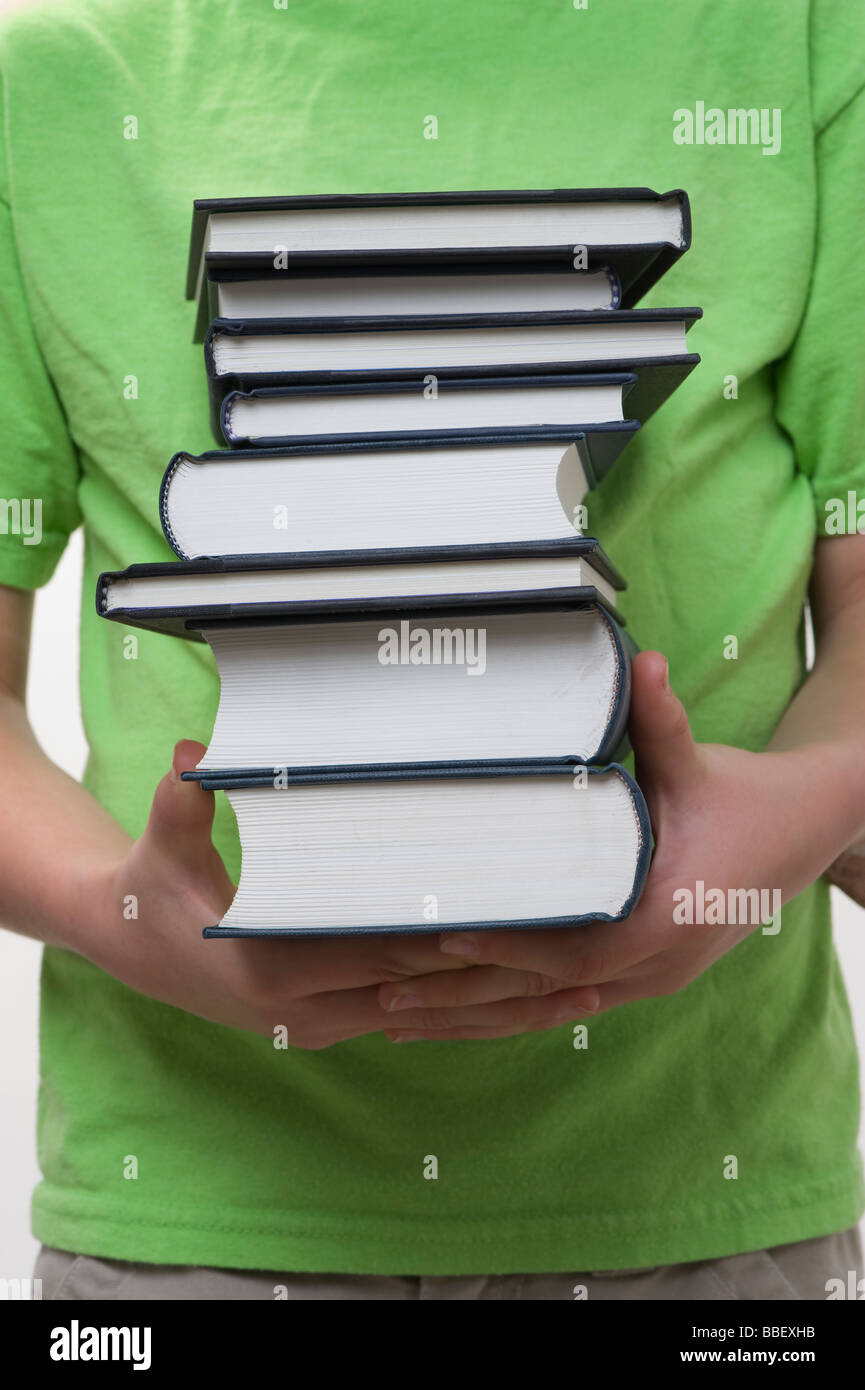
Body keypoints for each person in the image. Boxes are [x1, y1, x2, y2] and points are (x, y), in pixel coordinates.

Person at [1, 0, 863, 1301]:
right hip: (197, 1209)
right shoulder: (53, 70)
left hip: (700, 1193)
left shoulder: (801, 36)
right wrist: (114, 911)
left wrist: (799, 814)